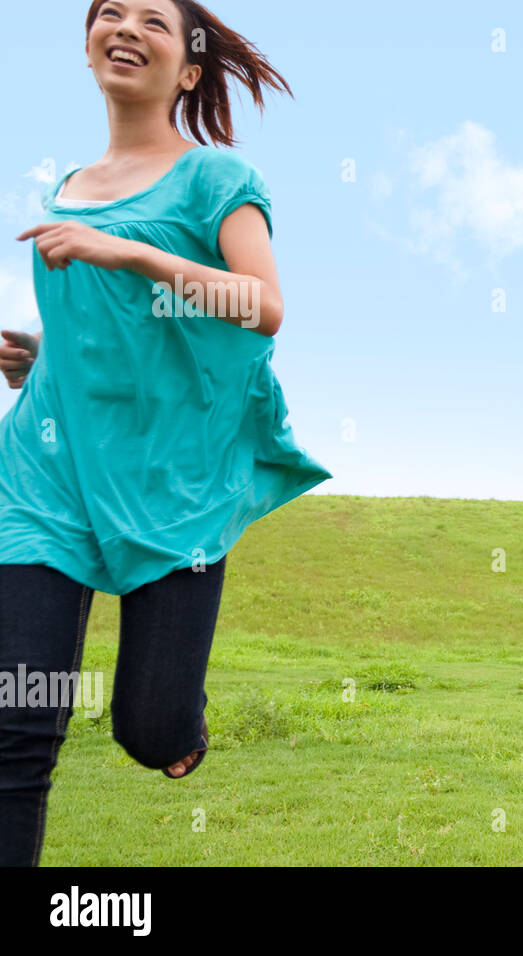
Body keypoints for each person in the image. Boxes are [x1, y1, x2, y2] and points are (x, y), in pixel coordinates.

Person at [0, 0, 330, 866]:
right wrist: (35, 358)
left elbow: (261, 308)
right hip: (46, 475)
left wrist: (137, 255)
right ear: (87, 49)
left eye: (154, 19)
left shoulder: (215, 180)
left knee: (148, 728)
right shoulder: (65, 187)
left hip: (171, 479)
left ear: (187, 68)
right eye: (110, 12)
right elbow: (109, 334)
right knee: (16, 724)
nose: (126, 26)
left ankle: (172, 729)